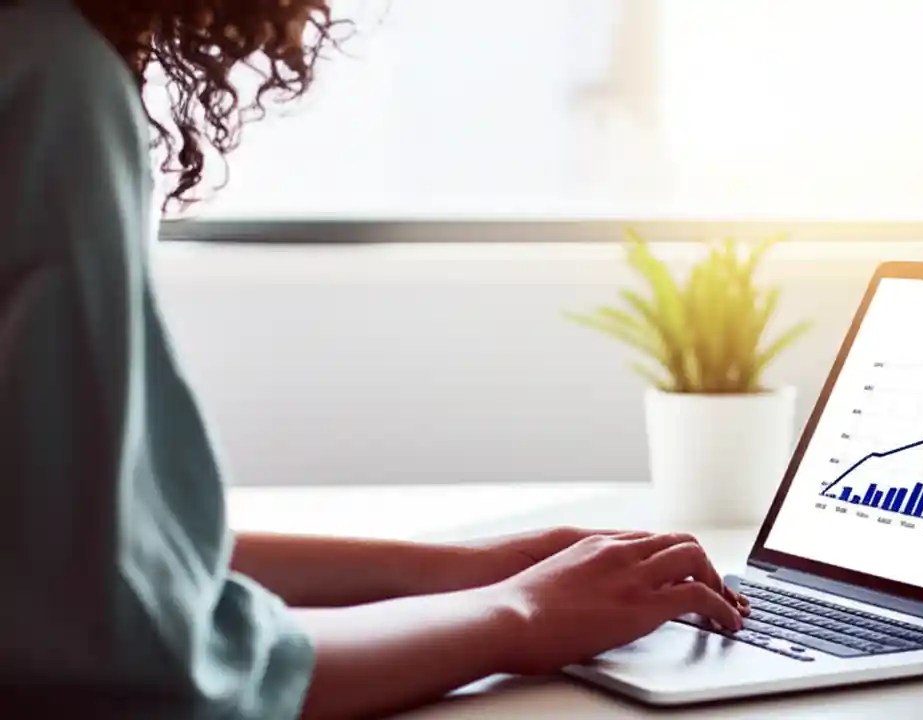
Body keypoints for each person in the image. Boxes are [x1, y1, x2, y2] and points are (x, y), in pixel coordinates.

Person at [0, 1, 749, 718]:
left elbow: (81, 557)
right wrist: (517, 614)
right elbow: (143, 668)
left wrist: (458, 569)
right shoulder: (52, 77)